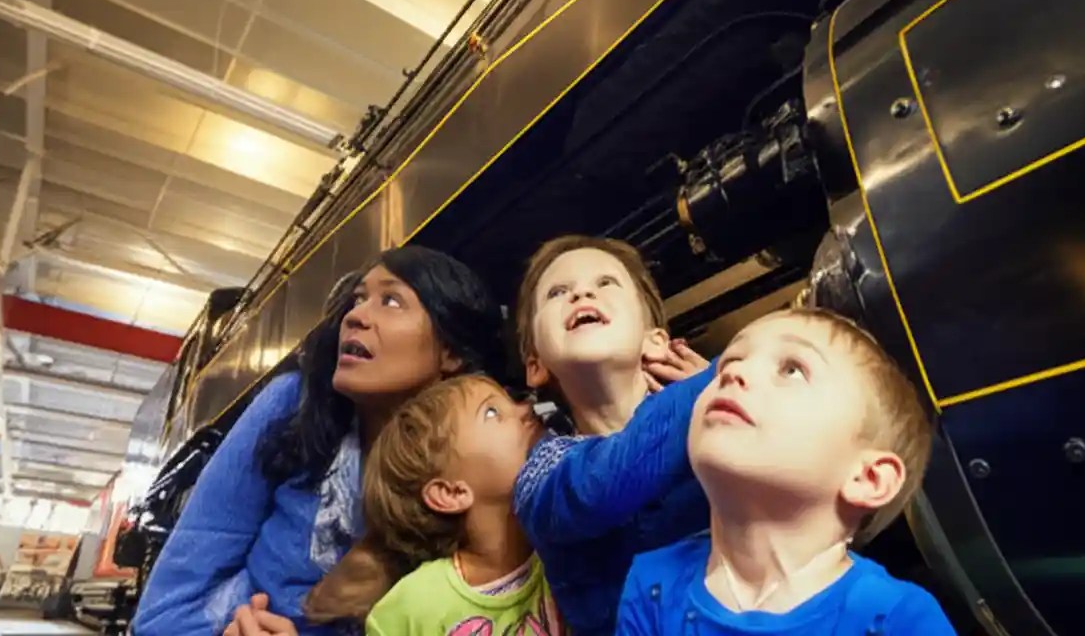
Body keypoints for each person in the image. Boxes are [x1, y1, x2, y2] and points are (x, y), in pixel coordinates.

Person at [134, 245, 506, 636]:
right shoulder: (292, 405)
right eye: (359, 299)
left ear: (450, 353)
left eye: (391, 300)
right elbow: (164, 615)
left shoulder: (489, 455)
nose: (356, 316)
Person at [616, 308, 956, 634]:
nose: (733, 373)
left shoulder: (898, 618)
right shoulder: (652, 584)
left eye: (792, 370)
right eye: (729, 363)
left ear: (867, 478)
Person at [511, 236, 715, 635]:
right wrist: (724, 387)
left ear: (655, 341)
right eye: (557, 292)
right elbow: (603, 486)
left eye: (606, 283)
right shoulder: (543, 473)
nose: (582, 292)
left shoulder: (720, 409)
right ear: (536, 365)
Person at [304, 374, 565, 635]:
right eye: (492, 412)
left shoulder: (565, 548)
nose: (527, 409)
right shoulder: (412, 608)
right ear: (449, 493)